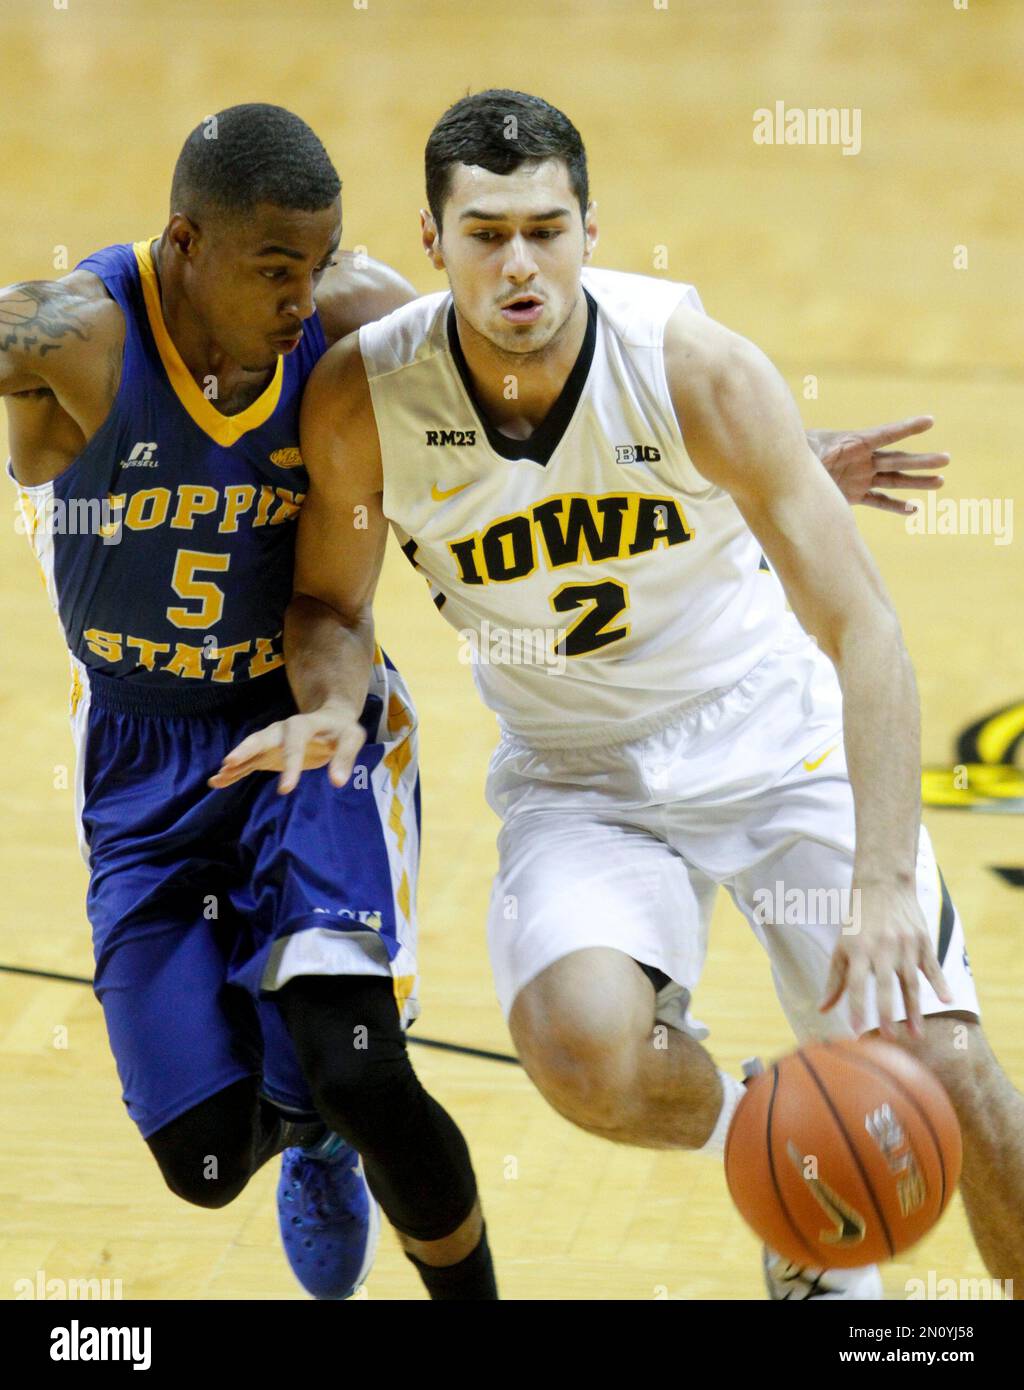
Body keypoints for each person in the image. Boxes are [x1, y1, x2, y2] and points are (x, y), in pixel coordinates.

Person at [217, 88, 1024, 1301]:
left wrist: (881, 881)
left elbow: (865, 629)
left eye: (548, 227)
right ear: (432, 247)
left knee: (945, 1071)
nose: (521, 263)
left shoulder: (693, 366)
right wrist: (334, 699)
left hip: (770, 737)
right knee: (583, 1050)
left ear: (594, 227)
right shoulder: (367, 395)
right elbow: (329, 605)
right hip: (577, 775)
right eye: (486, 234)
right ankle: (784, 1143)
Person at [2, 103, 496, 1301]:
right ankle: (302, 1132)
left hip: (305, 714)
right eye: (275, 265)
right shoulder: (74, 333)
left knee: (362, 1068)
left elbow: (569, 367)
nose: (300, 292)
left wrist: (774, 442)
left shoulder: (350, 321)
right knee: (209, 1161)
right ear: (184, 243)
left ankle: (342, 1126)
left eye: (316, 258)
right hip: (137, 750)